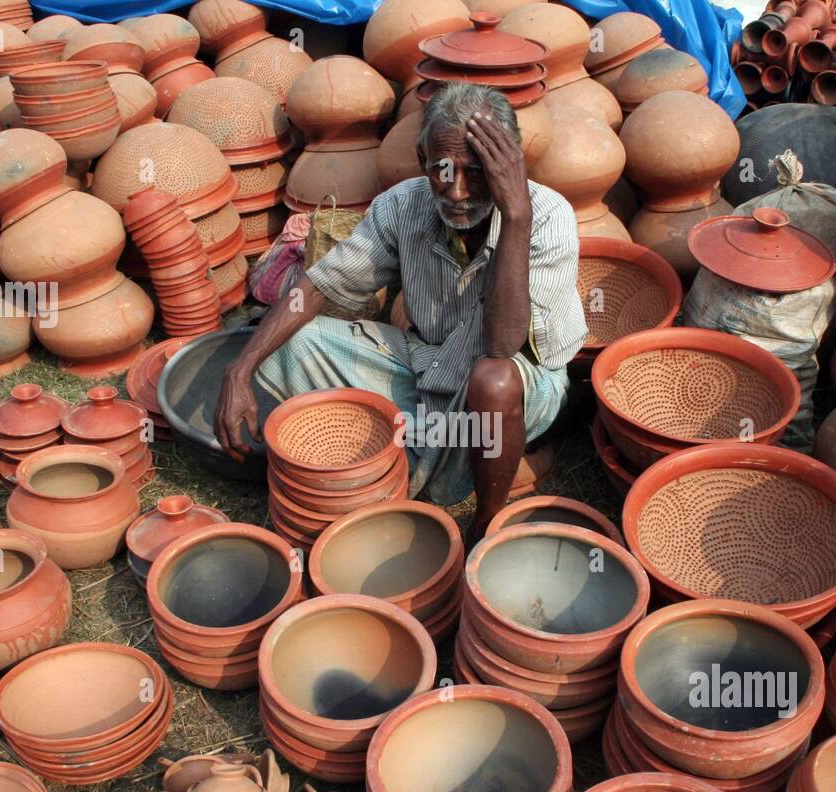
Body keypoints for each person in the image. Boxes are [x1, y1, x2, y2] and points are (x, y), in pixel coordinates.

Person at [214, 81, 586, 545]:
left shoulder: (547, 217)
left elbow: (502, 345)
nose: (456, 191)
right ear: (421, 160)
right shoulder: (402, 203)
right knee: (298, 339)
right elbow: (318, 284)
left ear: (509, 164)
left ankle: (486, 520)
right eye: (442, 170)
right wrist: (239, 368)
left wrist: (515, 216)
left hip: (516, 384)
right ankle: (394, 459)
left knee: (493, 379)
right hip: (425, 359)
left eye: (478, 172)